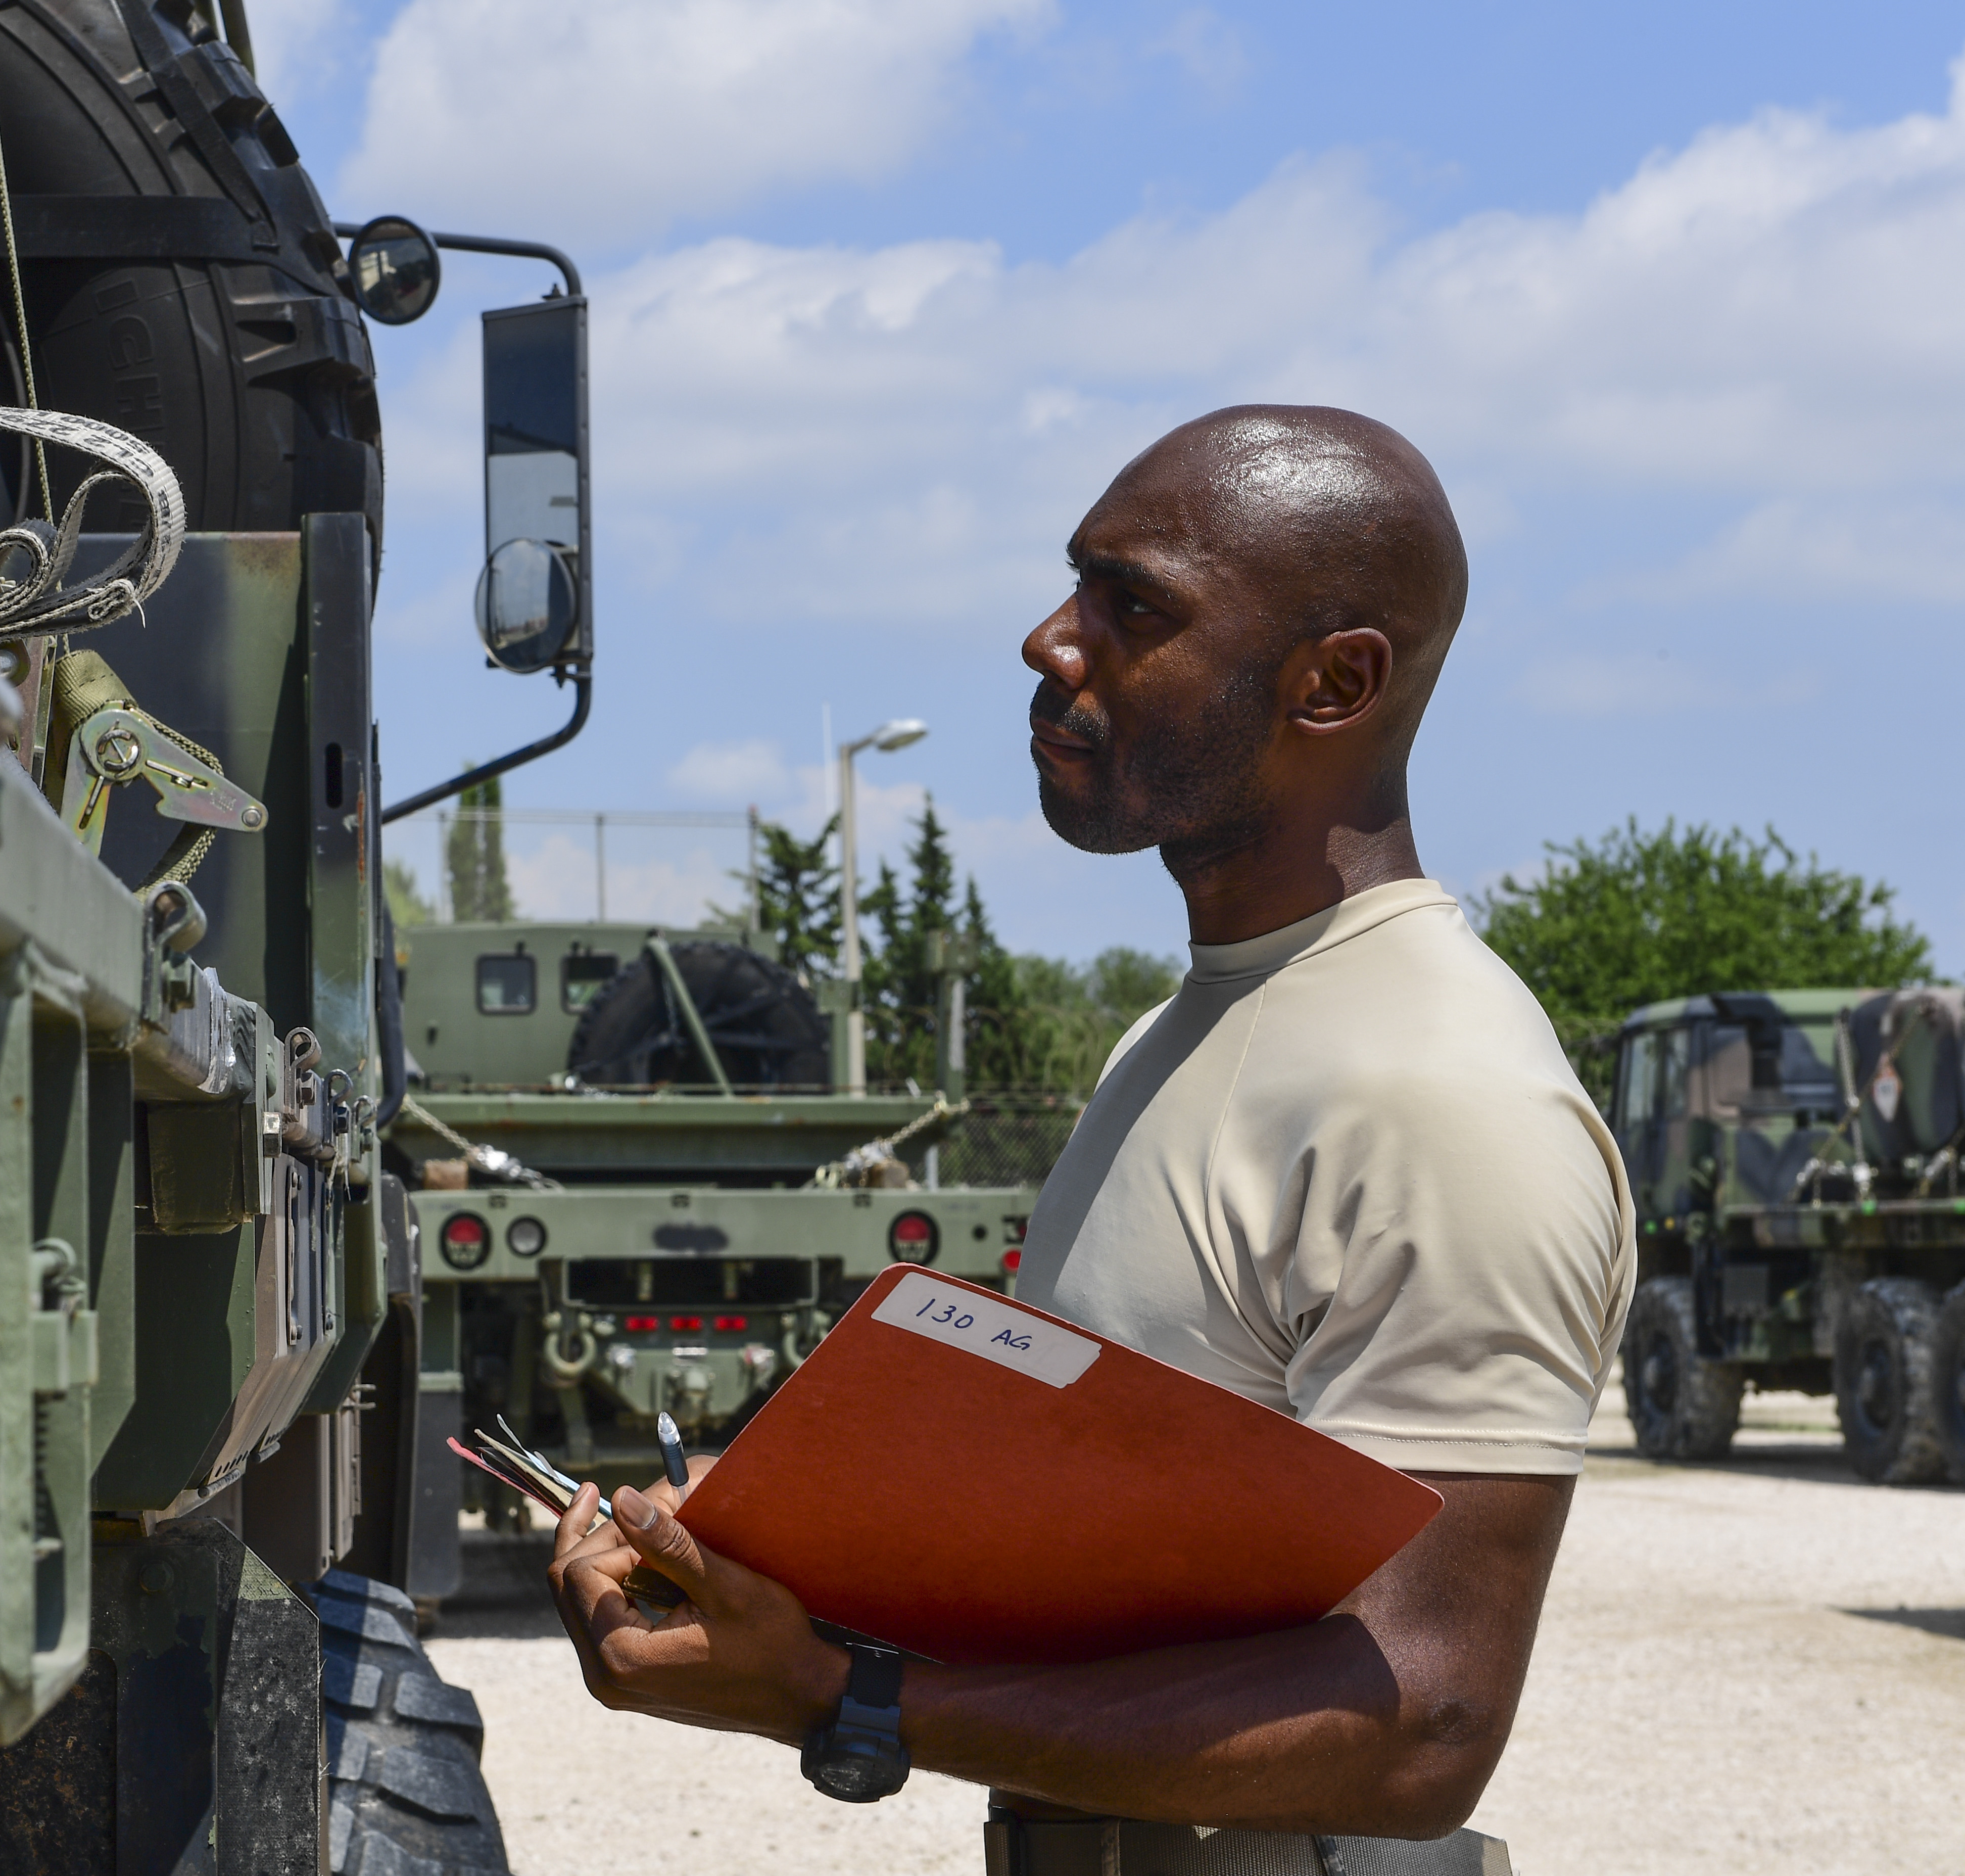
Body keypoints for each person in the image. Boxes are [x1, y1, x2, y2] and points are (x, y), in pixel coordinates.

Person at [544, 406, 1634, 1876]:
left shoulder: (1439, 1094)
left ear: (1336, 683)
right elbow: (1125, 1569)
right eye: (1077, 586)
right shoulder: (1182, 1034)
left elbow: (1422, 1717)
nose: (1051, 642)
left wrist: (836, 1695)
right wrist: (760, 1572)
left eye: (1135, 608)